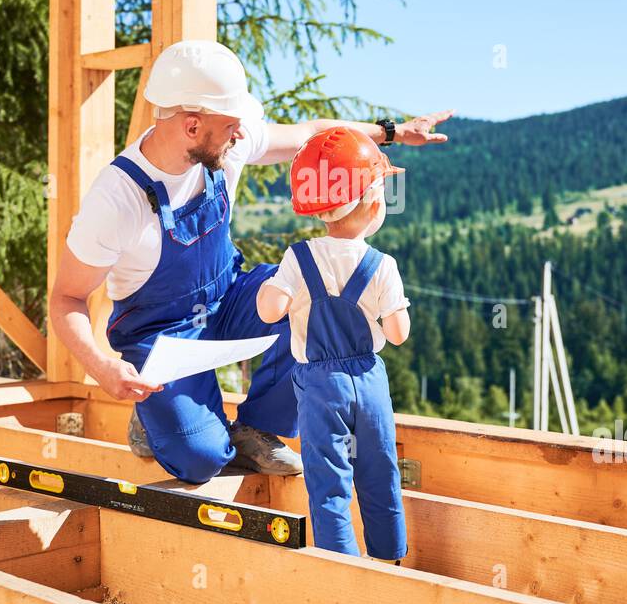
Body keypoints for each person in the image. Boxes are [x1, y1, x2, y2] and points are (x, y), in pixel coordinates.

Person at [48, 38, 451, 485]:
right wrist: (103, 366)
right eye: (232, 124)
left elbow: (309, 132)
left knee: (314, 299)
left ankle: (256, 428)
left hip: (228, 298)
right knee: (201, 459)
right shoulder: (117, 198)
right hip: (160, 338)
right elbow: (66, 298)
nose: (243, 132)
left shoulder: (224, 145)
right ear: (192, 126)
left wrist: (392, 132)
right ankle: (156, 420)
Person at [255, 127, 410, 561]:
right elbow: (398, 334)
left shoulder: (298, 258)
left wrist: (275, 291)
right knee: (380, 472)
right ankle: (390, 560)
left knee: (328, 483)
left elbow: (269, 311)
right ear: (376, 203)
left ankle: (340, 568)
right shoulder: (383, 265)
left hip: (321, 387)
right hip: (370, 381)